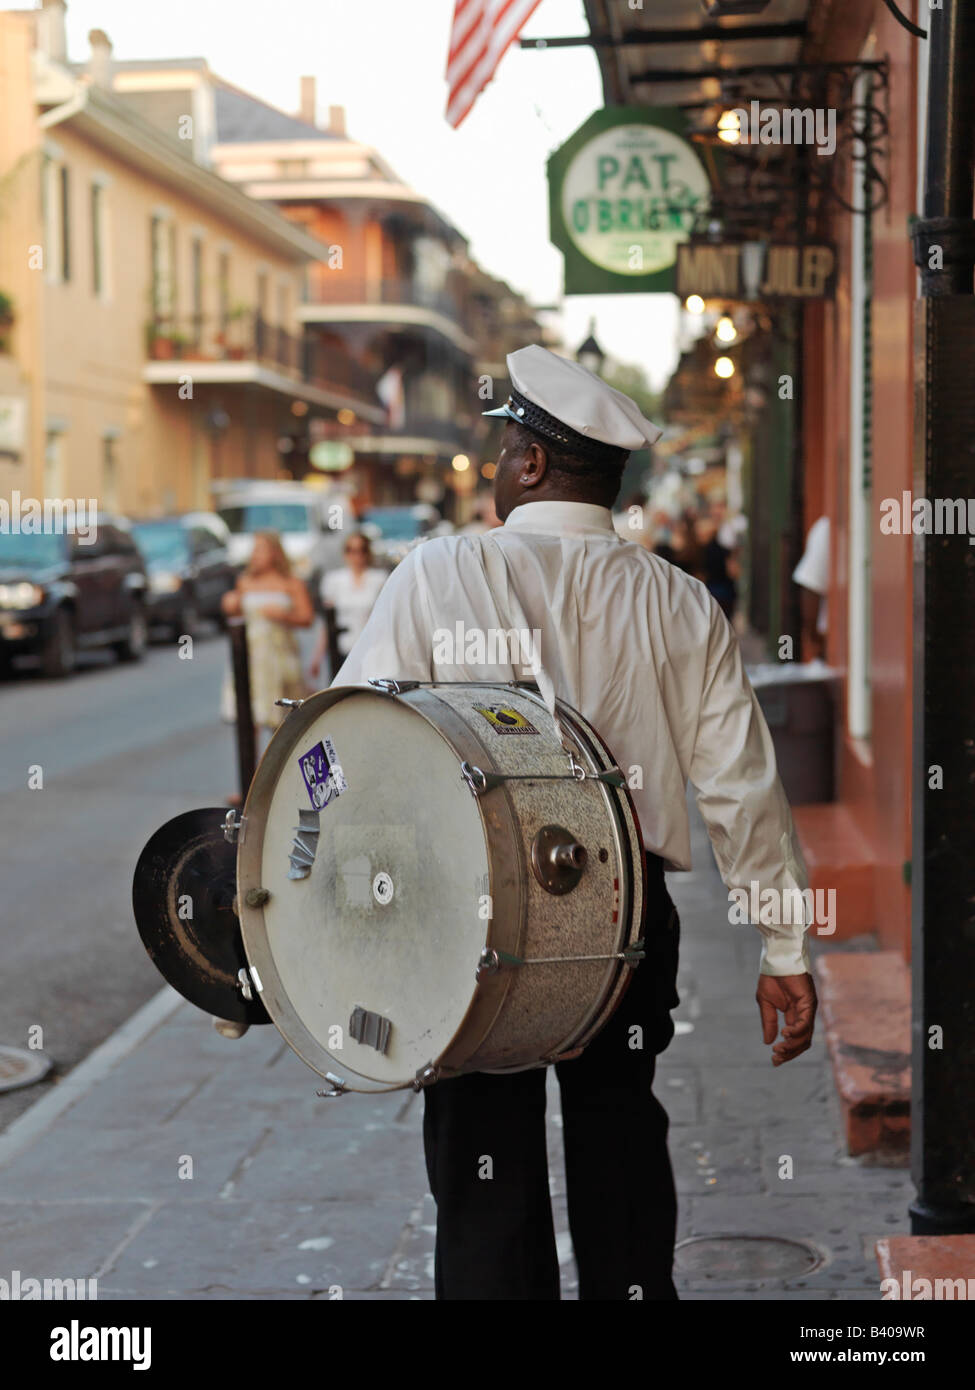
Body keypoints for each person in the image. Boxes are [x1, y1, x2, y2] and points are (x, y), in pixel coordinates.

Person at [333, 344, 818, 1302]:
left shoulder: (437, 573)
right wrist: (783, 946)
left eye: (505, 445)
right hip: (624, 915)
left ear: (533, 464)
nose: (497, 462)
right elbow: (740, 786)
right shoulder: (678, 600)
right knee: (620, 1138)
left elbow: (356, 746)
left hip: (473, 916)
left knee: (481, 1158)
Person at [220, 531, 313, 753]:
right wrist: (230, 605)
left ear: (274, 552)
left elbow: (307, 618)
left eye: (261, 548)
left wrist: (283, 616)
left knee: (281, 721)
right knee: (249, 718)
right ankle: (250, 781)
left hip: (280, 657)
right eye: (254, 548)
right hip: (252, 657)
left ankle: (277, 778)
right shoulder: (245, 581)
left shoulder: (291, 582)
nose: (256, 554)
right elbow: (235, 616)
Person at [308, 531, 387, 682]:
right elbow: (328, 622)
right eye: (351, 550)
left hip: (371, 649)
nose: (356, 555)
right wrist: (317, 656)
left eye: (361, 550)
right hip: (342, 649)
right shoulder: (334, 580)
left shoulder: (379, 579)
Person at [793, 515, 830, 660]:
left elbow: (809, 585)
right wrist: (815, 638)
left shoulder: (826, 528)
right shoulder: (827, 528)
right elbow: (810, 585)